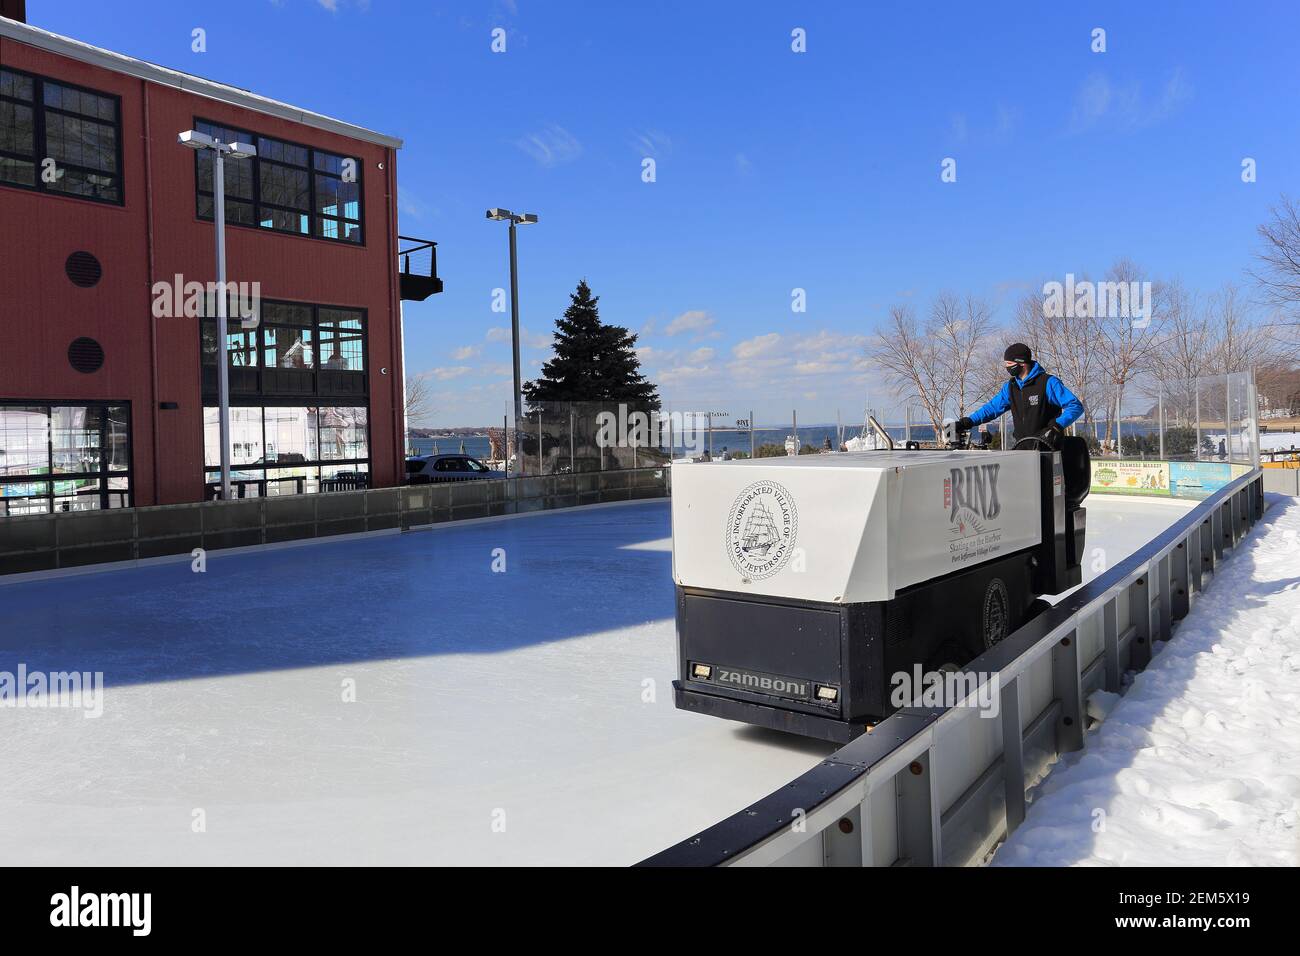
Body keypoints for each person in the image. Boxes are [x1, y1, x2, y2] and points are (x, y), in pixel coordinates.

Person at [957, 343, 1083, 449]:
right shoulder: (1011, 387)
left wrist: (1056, 426)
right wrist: (969, 421)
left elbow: (1075, 406)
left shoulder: (1047, 383)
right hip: (1021, 448)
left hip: (1047, 448)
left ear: (1021, 363)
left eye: (1009, 364)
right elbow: (992, 408)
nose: (1006, 367)